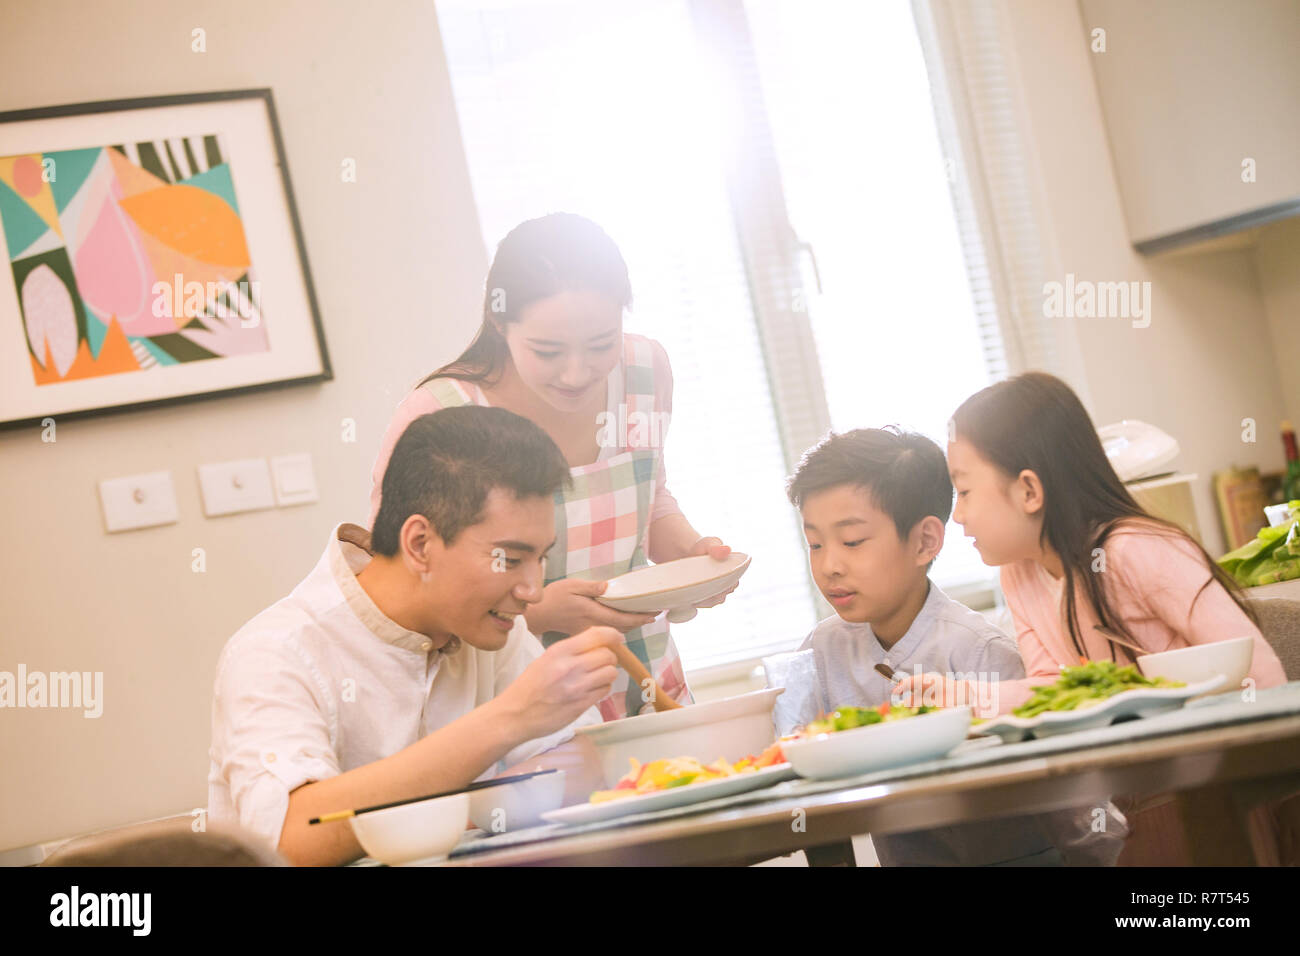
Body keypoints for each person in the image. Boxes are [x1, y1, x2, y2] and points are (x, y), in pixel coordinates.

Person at [904, 370, 1288, 864]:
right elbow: (1053, 687)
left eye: (965, 490)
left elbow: (1261, 673)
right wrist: (965, 697)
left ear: (1028, 491)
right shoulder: (1020, 575)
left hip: (1224, 787)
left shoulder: (1136, 550)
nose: (958, 516)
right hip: (1142, 799)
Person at [208, 407, 620, 866]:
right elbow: (290, 840)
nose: (533, 590)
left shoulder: (491, 628)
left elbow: (578, 765)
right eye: (510, 559)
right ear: (420, 544)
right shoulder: (276, 651)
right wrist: (510, 718)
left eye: (541, 558)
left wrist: (448, 813)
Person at [369, 212, 733, 719]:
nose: (577, 372)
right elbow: (404, 590)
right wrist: (536, 612)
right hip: (513, 709)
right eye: (548, 350)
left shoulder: (645, 373)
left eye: (601, 344)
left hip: (643, 680)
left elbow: (649, 498)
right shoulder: (444, 414)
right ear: (499, 323)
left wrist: (692, 557)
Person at [774, 426, 1115, 864]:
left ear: (924, 542)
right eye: (815, 544)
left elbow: (1078, 805)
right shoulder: (819, 653)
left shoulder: (981, 653)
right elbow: (790, 772)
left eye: (852, 541)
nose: (829, 565)